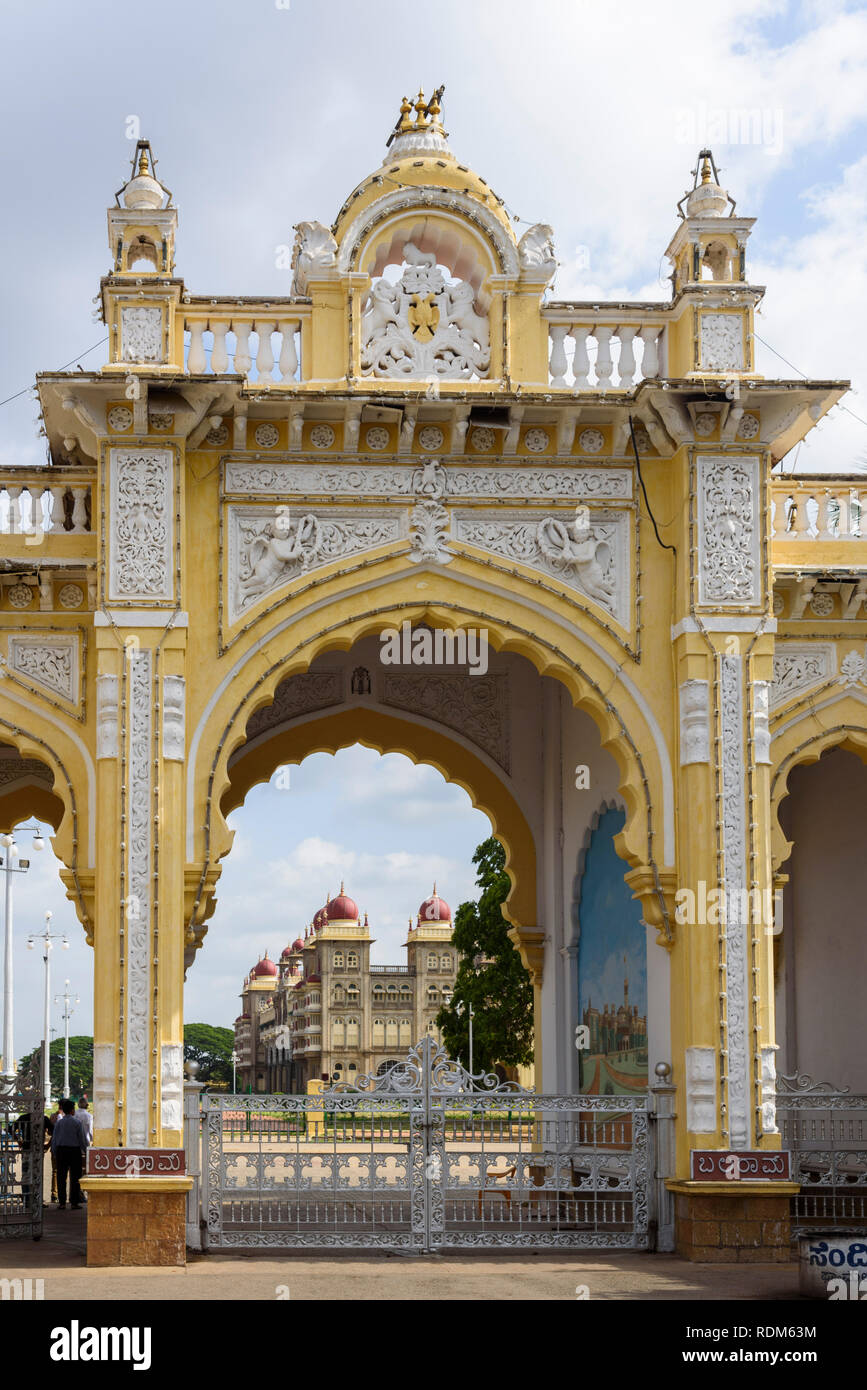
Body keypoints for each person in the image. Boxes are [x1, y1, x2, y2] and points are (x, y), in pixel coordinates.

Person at [51, 1098, 86, 1210]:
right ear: (72, 1110)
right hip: (74, 1151)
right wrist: (86, 1151)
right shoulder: (77, 1123)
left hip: (62, 1151)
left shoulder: (59, 1123)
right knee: (75, 1177)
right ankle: (74, 1202)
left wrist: (55, 1152)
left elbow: (54, 1139)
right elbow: (82, 1140)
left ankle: (62, 1203)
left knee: (61, 1177)